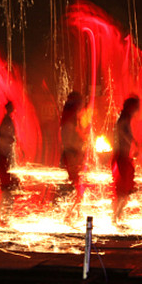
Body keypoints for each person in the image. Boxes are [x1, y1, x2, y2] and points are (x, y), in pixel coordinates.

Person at [59, 91, 88, 225]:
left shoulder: (70, 120)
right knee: (73, 186)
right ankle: (68, 216)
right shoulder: (69, 121)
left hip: (71, 155)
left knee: (74, 185)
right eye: (80, 104)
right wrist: (76, 150)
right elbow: (68, 141)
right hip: (70, 155)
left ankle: (70, 214)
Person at [112, 96, 140, 226]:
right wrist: (132, 142)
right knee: (123, 190)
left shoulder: (125, 118)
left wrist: (134, 142)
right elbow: (121, 132)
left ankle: (118, 216)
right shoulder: (123, 118)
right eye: (135, 106)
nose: (137, 110)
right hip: (121, 157)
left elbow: (124, 133)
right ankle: (116, 217)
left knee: (125, 190)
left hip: (124, 157)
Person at [0, 101, 18, 226]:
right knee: (7, 189)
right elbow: (4, 137)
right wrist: (11, 139)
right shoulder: (6, 121)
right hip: (1, 159)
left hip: (2, 159)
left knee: (8, 189)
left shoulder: (7, 120)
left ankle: (1, 216)